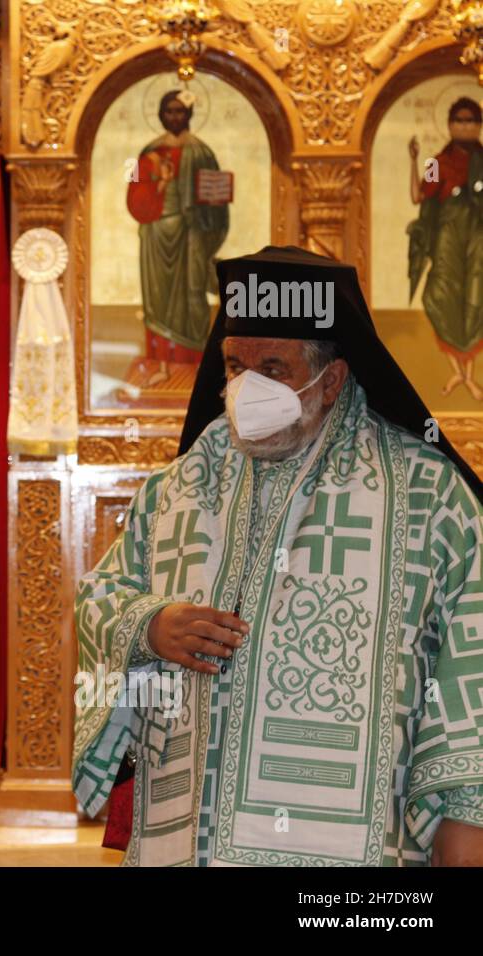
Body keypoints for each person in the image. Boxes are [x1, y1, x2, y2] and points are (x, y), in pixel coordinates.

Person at [74, 245, 483, 866]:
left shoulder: (427, 495)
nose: (248, 387)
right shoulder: (179, 487)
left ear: (334, 378)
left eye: (274, 365)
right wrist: (150, 627)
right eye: (236, 365)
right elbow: (100, 598)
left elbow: (470, 698)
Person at [127, 90, 229, 387]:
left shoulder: (202, 152)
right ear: (160, 115)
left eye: (180, 111)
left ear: (189, 115)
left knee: (193, 296)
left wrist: (208, 214)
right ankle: (161, 366)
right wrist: (158, 185)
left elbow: (216, 202)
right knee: (157, 301)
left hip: (192, 236)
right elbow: (133, 196)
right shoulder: (147, 152)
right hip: (156, 238)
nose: (174, 117)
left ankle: (197, 366)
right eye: (169, 111)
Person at [408, 96, 483, 399]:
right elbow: (419, 197)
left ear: (479, 126)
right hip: (447, 243)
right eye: (459, 120)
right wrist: (413, 159)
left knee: (477, 298)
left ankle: (472, 376)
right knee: (441, 296)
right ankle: (457, 373)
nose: (465, 126)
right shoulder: (438, 163)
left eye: (471, 121)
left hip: (478, 242)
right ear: (450, 125)